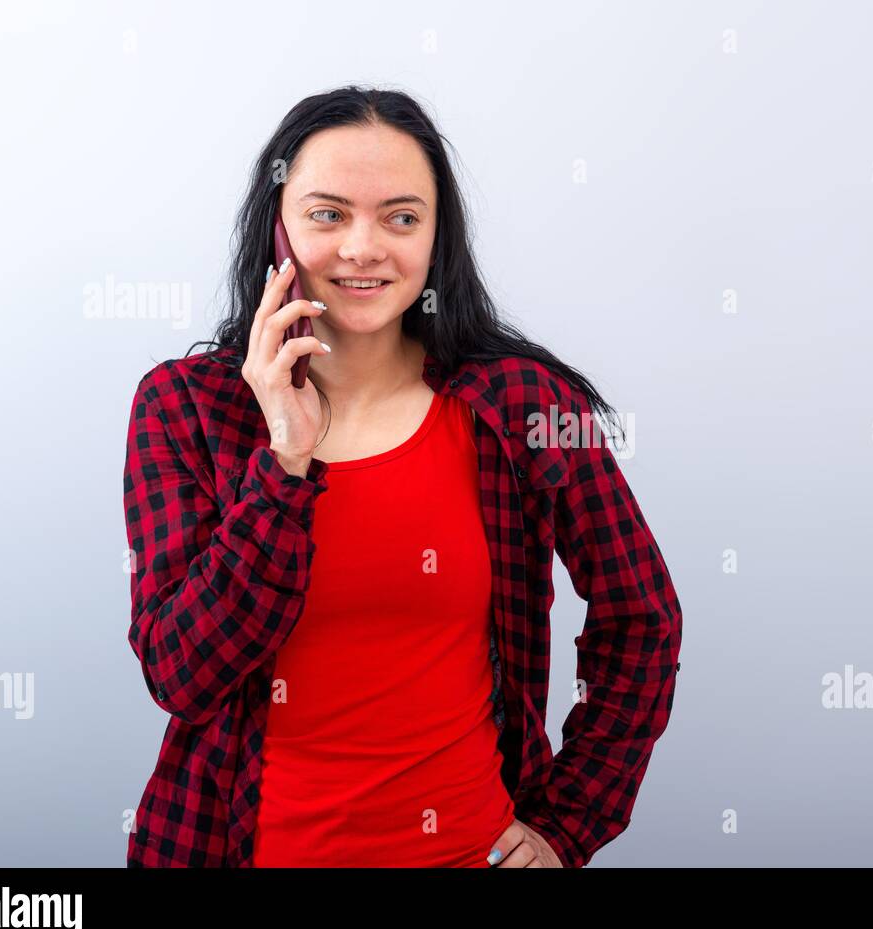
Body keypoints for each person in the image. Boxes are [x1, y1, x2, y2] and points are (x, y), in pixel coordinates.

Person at [122, 86, 682, 868]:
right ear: (277, 228)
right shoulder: (184, 407)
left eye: (401, 216)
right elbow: (182, 673)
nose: (363, 247)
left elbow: (643, 616)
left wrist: (569, 821)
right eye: (328, 214)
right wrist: (284, 465)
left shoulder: (523, 405)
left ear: (435, 237)